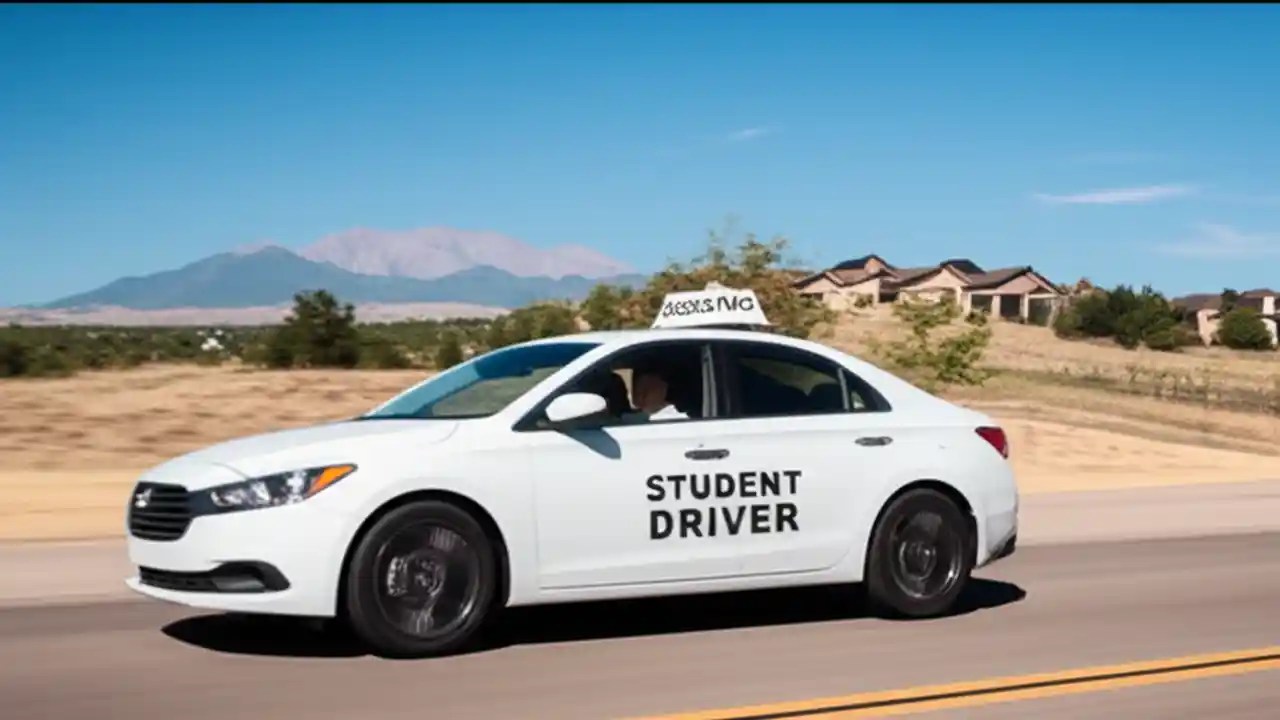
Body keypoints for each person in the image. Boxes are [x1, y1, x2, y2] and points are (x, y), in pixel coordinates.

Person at [623, 365, 689, 422]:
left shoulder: (671, 418)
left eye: (645, 391)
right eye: (637, 392)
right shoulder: (630, 421)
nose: (640, 397)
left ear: (664, 387)